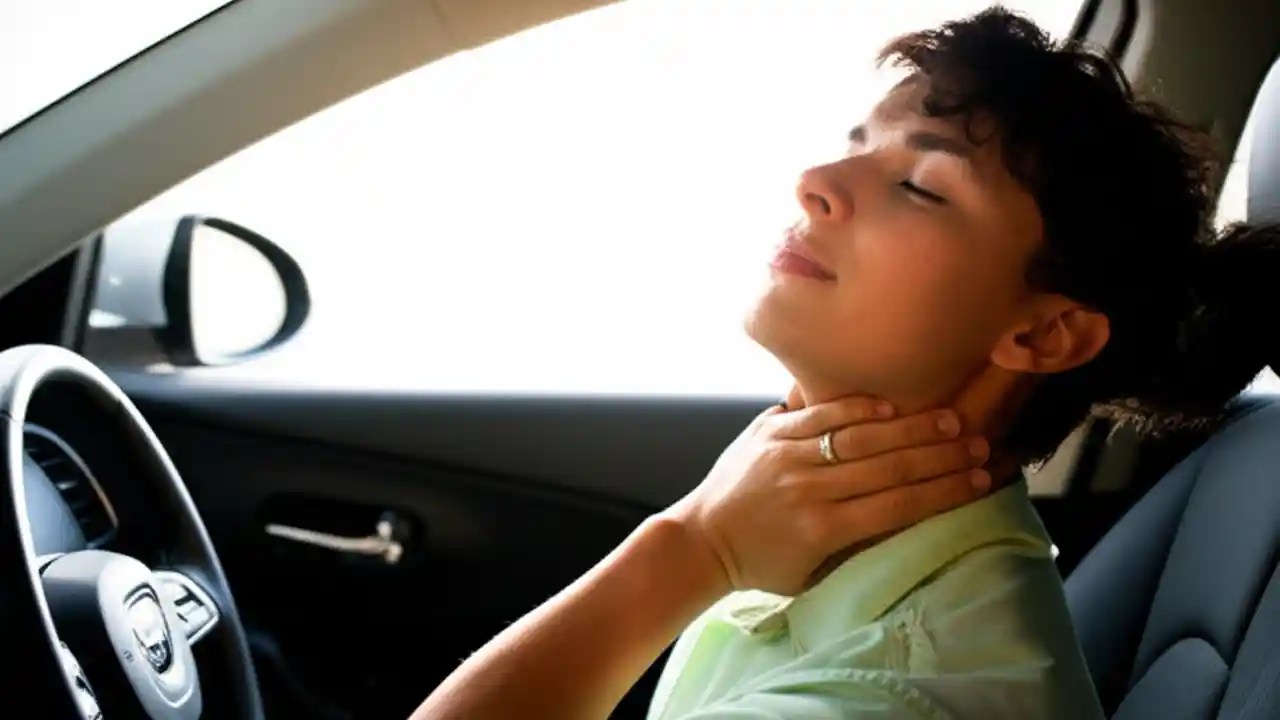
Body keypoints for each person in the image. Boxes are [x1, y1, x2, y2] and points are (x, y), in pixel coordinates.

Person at [411, 6, 1277, 719]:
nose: (817, 178)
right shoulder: (838, 541)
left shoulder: (886, 699)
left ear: (1043, 337)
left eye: (921, 187)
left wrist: (692, 546)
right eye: (858, 142)